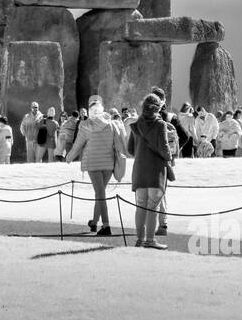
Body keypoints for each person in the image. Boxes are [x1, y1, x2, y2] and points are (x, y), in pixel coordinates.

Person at [67, 96, 126, 237]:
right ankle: (94, 222)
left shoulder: (86, 125)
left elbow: (77, 145)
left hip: (93, 163)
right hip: (108, 163)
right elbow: (119, 144)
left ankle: (106, 225)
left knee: (100, 194)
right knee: (100, 193)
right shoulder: (112, 124)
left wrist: (69, 157)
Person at [127, 94, 171, 249]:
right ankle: (150, 240)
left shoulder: (136, 124)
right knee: (153, 207)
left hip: (139, 170)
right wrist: (169, 156)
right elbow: (165, 148)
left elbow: (130, 149)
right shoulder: (160, 124)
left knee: (140, 206)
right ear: (158, 108)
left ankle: (140, 239)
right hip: (155, 171)